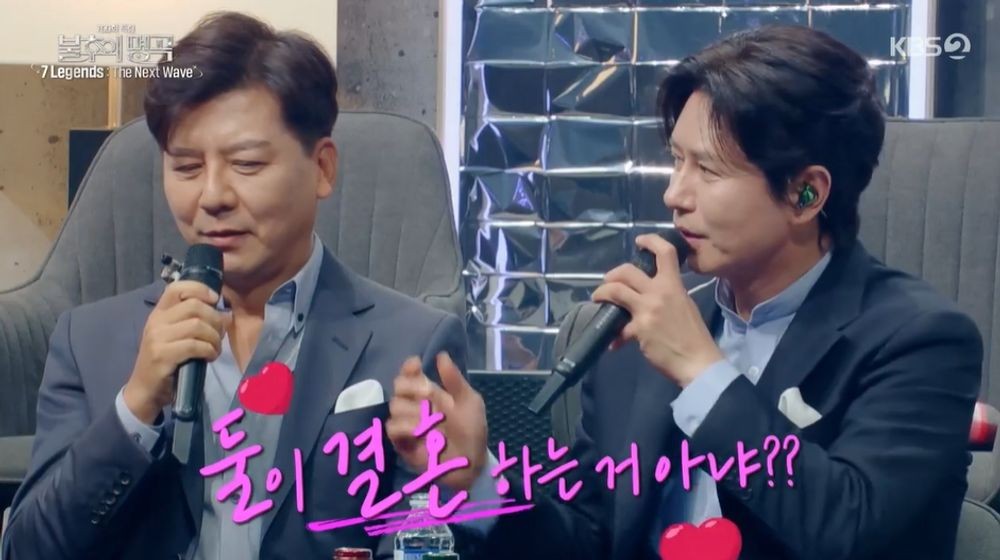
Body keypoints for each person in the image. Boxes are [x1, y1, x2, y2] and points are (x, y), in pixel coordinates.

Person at [386, 25, 984, 560]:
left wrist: (702, 372)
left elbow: (848, 530)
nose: (675, 195)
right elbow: (591, 541)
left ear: (806, 194)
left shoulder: (920, 342)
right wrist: (479, 481)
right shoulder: (634, 352)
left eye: (709, 170)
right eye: (677, 161)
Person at [1, 11, 475, 560]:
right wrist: (135, 407)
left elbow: (436, 539)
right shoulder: (88, 341)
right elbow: (28, 549)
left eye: (246, 164)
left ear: (322, 169)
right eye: (185, 168)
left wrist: (465, 483)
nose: (213, 197)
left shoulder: (412, 345)